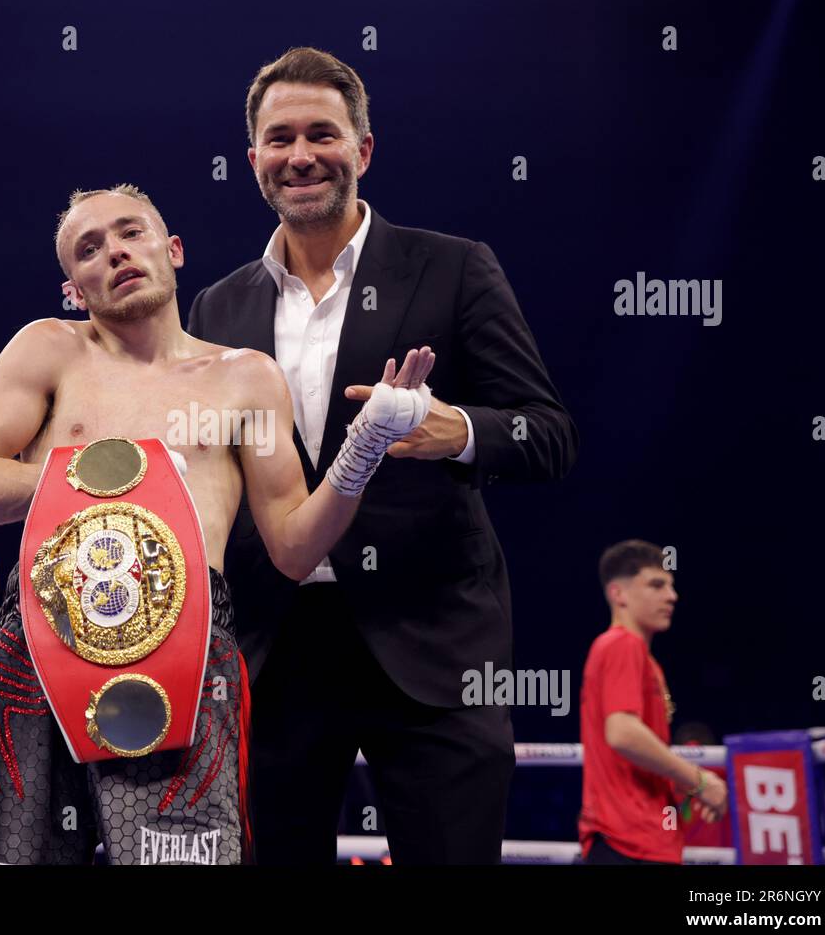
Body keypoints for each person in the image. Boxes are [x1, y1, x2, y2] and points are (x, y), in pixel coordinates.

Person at [0, 183, 434, 865]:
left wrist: (362, 449)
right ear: (72, 287)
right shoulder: (49, 349)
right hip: (39, 631)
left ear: (173, 250)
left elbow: (292, 545)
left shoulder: (246, 379)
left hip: (188, 639)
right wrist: (112, 482)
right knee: (7, 858)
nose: (114, 251)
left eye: (130, 233)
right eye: (89, 249)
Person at [187, 46, 579, 863]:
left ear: (363, 150)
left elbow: (549, 434)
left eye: (322, 134)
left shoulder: (453, 268)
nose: (301, 155)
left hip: (434, 643)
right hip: (276, 649)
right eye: (280, 138)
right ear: (252, 157)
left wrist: (457, 431)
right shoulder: (218, 305)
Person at [578, 539, 728, 864]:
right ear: (619, 594)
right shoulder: (621, 645)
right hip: (630, 840)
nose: (671, 596)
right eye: (656, 585)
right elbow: (622, 733)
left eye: (671, 586)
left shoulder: (641, 659)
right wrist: (700, 780)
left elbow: (637, 751)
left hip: (637, 836)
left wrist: (683, 786)